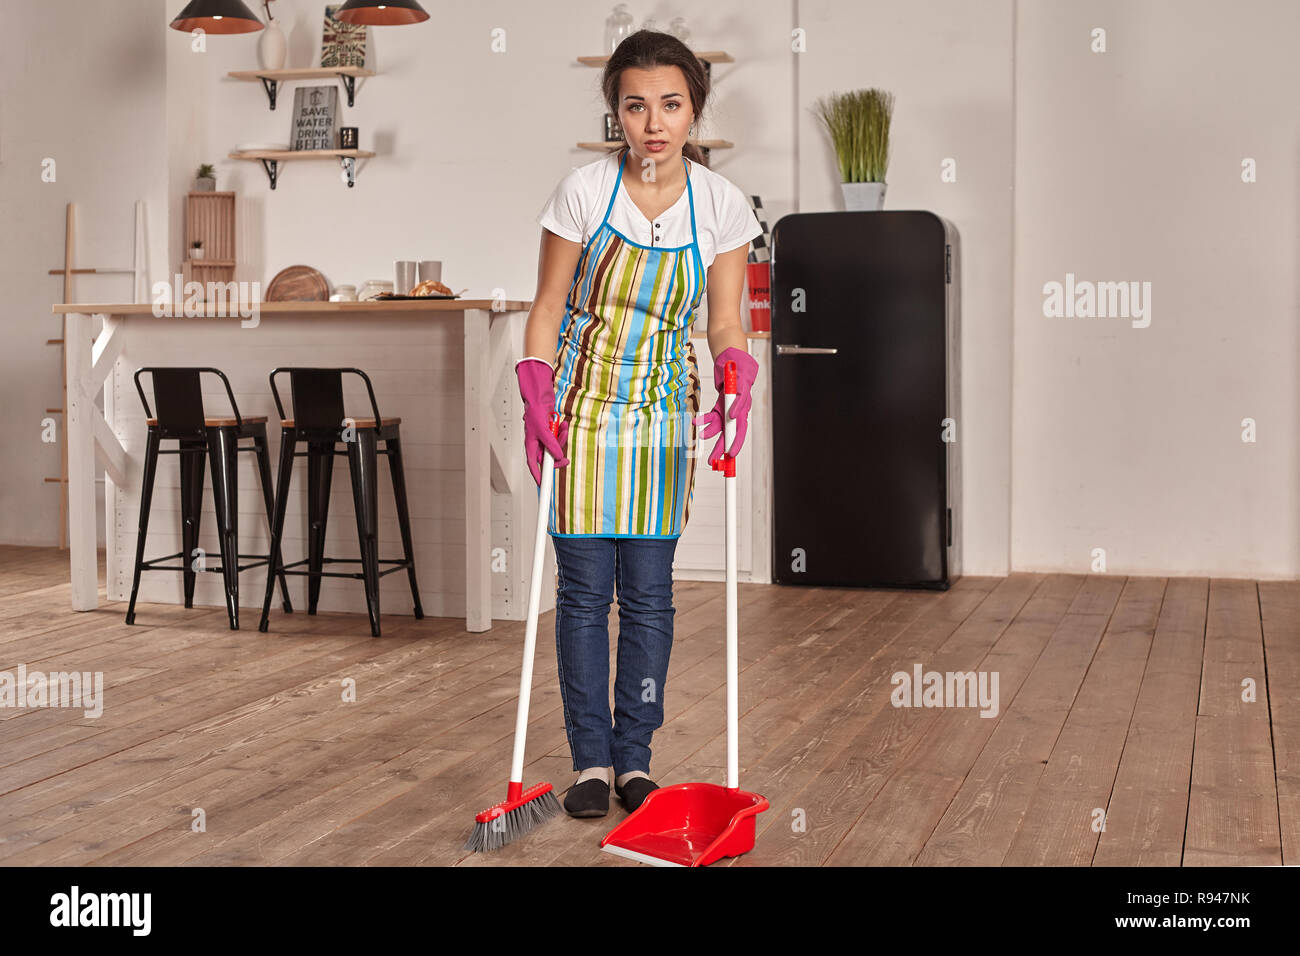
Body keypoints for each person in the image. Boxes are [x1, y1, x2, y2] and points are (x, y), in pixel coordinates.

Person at [518, 29, 763, 819]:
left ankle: (635, 761)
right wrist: (534, 384)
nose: (653, 122)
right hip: (582, 409)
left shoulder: (720, 205)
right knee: (586, 596)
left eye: (671, 104)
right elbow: (549, 306)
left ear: (694, 110)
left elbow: (723, 321)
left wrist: (735, 369)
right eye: (635, 105)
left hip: (661, 414)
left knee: (650, 599)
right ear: (614, 112)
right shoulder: (584, 192)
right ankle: (590, 760)